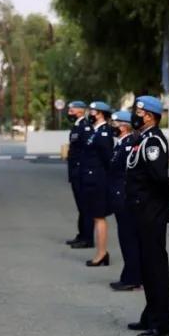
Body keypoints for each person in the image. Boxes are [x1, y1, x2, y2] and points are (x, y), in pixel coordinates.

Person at [124, 95, 169, 336]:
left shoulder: (153, 141)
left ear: (150, 115)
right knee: (146, 265)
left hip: (151, 211)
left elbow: (158, 178)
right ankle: (150, 313)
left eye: (139, 112)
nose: (135, 115)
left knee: (155, 267)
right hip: (140, 210)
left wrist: (166, 199)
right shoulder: (141, 139)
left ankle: (160, 321)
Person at [108, 110, 142, 291]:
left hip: (125, 198)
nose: (111, 127)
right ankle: (130, 274)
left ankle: (132, 278)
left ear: (123, 126)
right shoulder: (121, 144)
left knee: (129, 239)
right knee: (126, 238)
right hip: (120, 197)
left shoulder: (129, 144)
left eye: (114, 124)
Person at [82, 101, 115, 267]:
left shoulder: (104, 133)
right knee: (96, 217)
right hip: (92, 179)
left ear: (101, 113)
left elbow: (108, 160)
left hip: (99, 180)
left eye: (93, 111)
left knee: (99, 217)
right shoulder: (96, 131)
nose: (90, 114)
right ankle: (101, 252)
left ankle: (102, 253)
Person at [64, 100, 93, 248]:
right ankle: (82, 234)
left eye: (72, 110)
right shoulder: (77, 126)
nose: (69, 112)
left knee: (85, 206)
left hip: (82, 172)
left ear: (81, 111)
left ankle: (88, 238)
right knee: (81, 206)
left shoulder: (86, 127)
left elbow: (87, 151)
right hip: (76, 172)